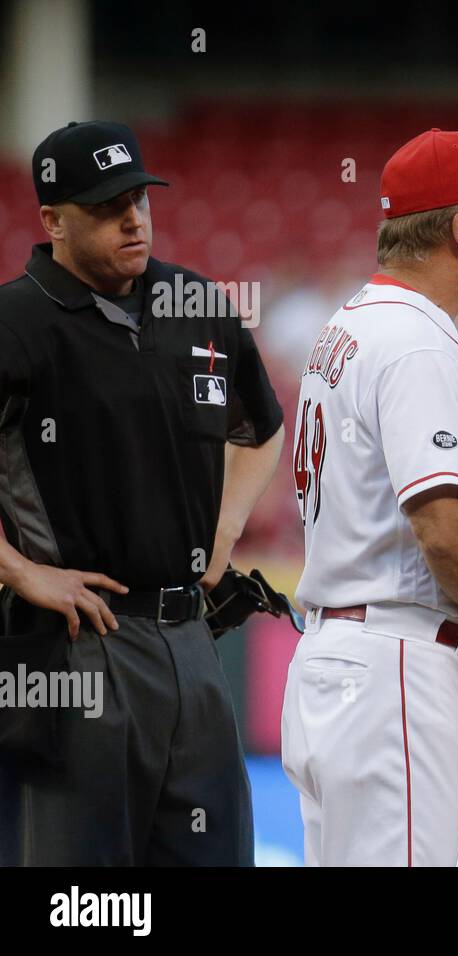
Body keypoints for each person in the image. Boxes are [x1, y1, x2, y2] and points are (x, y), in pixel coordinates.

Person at [0, 120, 285, 865]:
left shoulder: (195, 300)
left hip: (194, 642)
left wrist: (222, 536)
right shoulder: (15, 323)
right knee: (84, 898)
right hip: (75, 653)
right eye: (105, 207)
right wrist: (20, 568)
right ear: (54, 222)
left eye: (138, 198)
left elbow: (259, 428)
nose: (133, 219)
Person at [279, 128, 458, 866]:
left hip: (340, 655)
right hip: (393, 661)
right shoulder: (416, 340)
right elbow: (442, 526)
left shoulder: (351, 322)